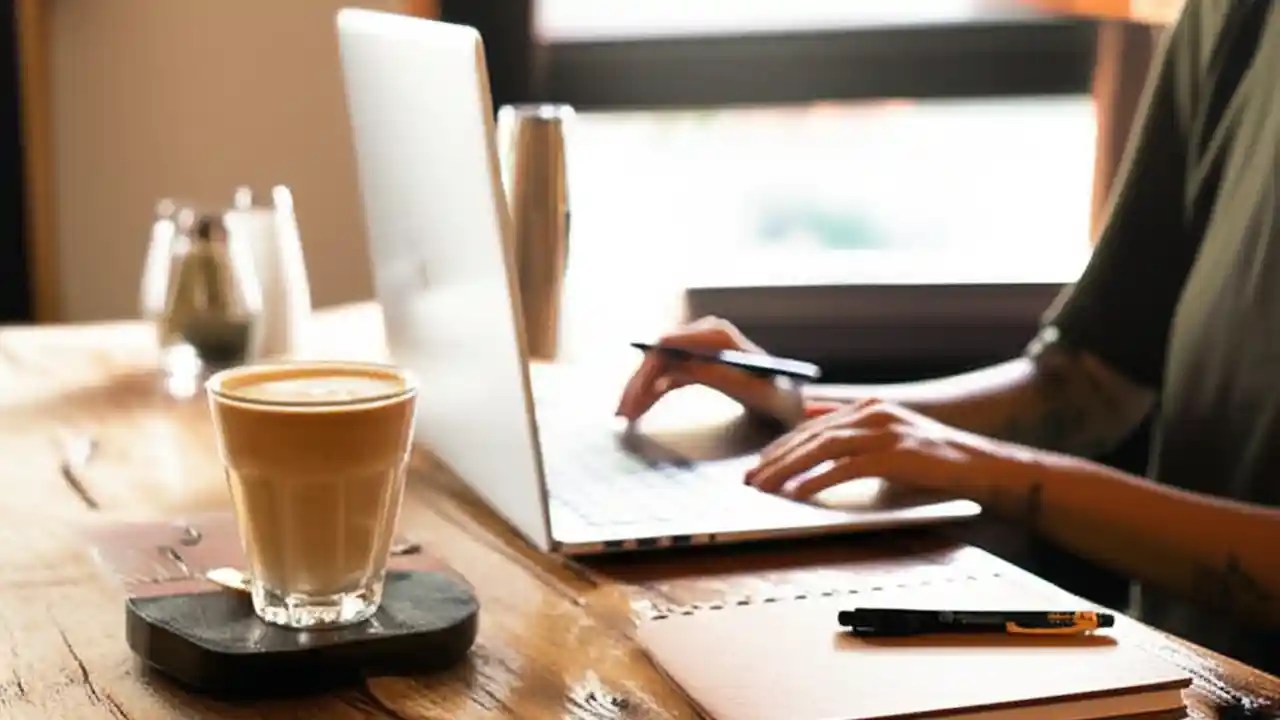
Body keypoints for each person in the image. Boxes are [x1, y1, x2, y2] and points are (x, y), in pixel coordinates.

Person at [616, 0, 1280, 670]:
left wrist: (989, 471)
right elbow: (1089, 381)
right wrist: (802, 407)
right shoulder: (1229, 15)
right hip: (1181, 672)